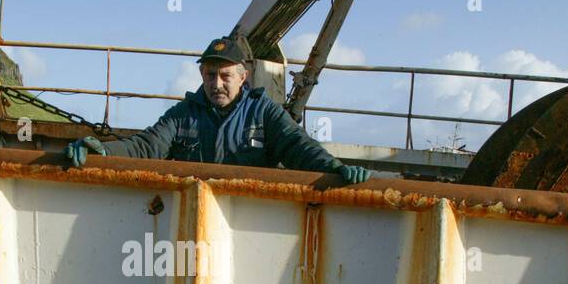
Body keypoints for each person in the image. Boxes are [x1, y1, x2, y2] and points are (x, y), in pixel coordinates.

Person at [65, 36, 370, 184]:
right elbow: (147, 146)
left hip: (247, 220)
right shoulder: (185, 113)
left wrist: (334, 169)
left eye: (226, 76)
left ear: (242, 76)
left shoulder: (264, 112)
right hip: (194, 220)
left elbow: (297, 146)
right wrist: (102, 152)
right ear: (202, 76)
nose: (217, 84)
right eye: (211, 75)